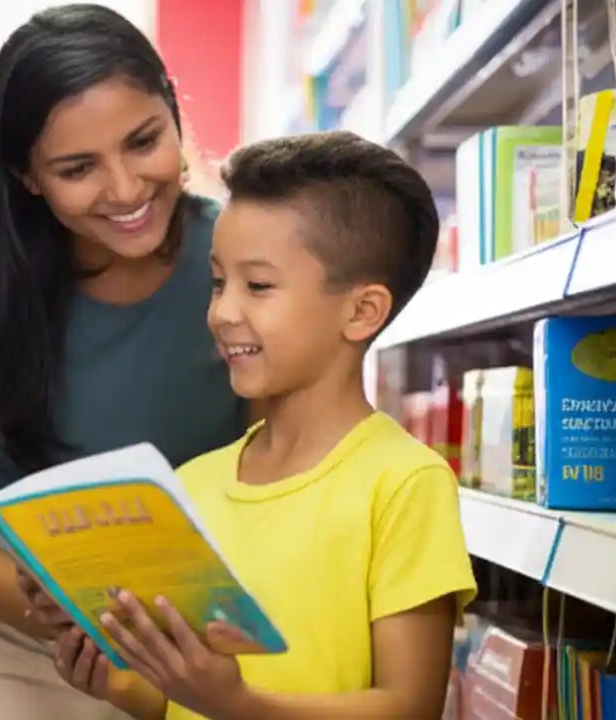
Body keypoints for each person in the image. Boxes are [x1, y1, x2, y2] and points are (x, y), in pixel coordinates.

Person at [46, 131, 479, 719]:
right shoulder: (190, 487)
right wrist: (116, 679)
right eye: (219, 282)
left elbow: (409, 707)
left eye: (259, 286)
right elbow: (176, 705)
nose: (223, 312)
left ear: (361, 311)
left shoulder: (403, 484)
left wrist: (239, 705)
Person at [0, 4, 251, 718]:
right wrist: (64, 599)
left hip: (198, 644)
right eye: (77, 168)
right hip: (14, 638)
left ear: (174, 114)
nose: (124, 189)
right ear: (27, 176)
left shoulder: (243, 257)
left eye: (143, 140)